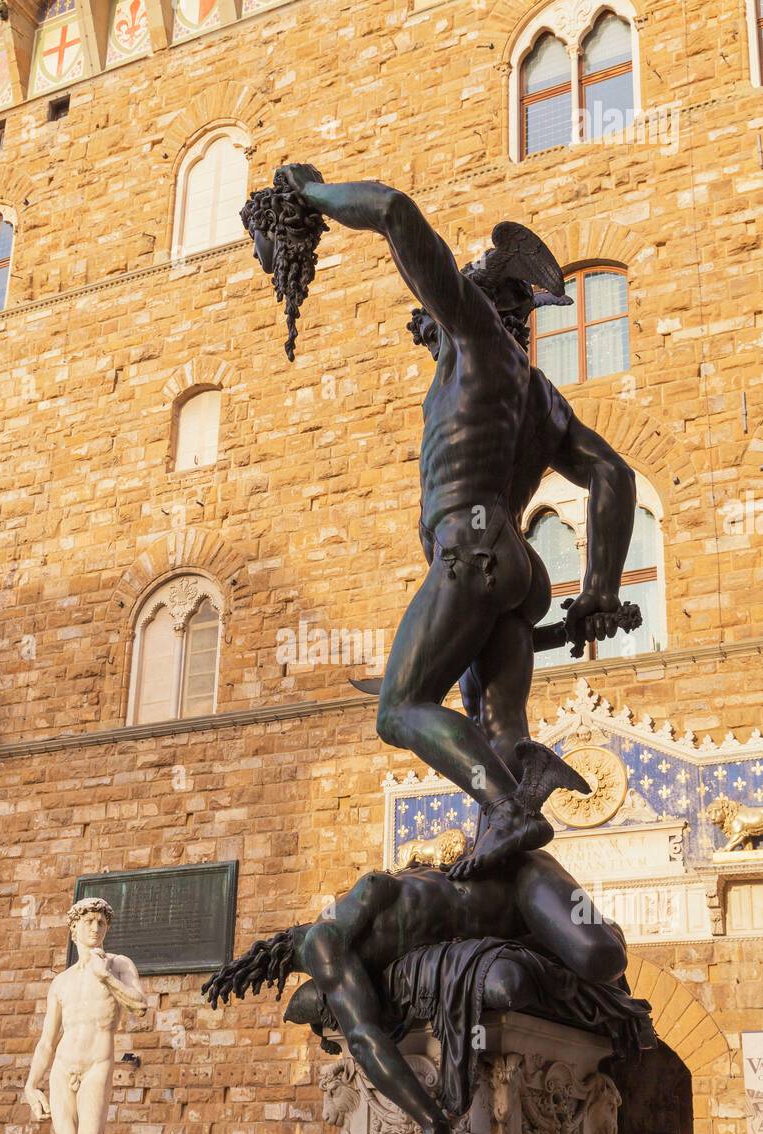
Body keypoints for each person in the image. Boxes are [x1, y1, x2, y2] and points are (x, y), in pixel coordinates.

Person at [252, 165, 635, 875]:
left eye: (444, 298)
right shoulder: (545, 399)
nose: (426, 322)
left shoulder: (476, 338)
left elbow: (397, 211)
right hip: (517, 570)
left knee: (399, 708)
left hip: (472, 551)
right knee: (497, 726)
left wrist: (311, 195)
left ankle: (507, 807)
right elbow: (613, 473)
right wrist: (599, 591)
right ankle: (517, 805)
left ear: (474, 301)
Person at [204, 852, 652, 1134]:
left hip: (517, 891)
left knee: (604, 959)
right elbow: (360, 1035)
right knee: (583, 962)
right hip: (508, 905)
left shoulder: (328, 940)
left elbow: (364, 1037)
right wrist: (431, 1120)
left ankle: (598, 936)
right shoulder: (365, 903)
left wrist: (432, 1121)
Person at [24, 897, 147, 1134]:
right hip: (64, 1066)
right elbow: (47, 1040)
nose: (95, 929)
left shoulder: (118, 965)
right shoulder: (61, 983)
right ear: (74, 929)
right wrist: (31, 1085)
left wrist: (106, 977)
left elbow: (140, 1005)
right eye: (89, 922)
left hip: (97, 1062)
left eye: (101, 923)